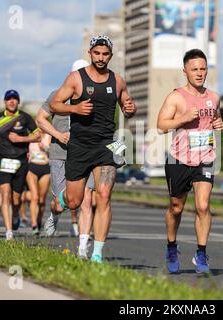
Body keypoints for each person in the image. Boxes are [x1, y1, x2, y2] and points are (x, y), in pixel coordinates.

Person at [50, 35, 136, 263]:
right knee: (74, 201)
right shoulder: (76, 79)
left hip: (106, 145)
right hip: (79, 145)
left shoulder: (117, 81)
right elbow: (54, 104)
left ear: (111, 55)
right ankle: (62, 198)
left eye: (105, 54)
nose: (100, 58)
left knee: (104, 196)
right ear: (90, 53)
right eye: (96, 53)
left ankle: (96, 254)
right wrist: (75, 109)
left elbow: (128, 106)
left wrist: (130, 108)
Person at [156, 48, 223, 274]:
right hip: (179, 159)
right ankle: (172, 247)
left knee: (203, 206)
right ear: (185, 71)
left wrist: (218, 124)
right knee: (176, 208)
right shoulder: (176, 96)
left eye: (203, 68)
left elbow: (215, 119)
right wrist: (183, 118)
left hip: (205, 157)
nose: (199, 73)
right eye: (194, 69)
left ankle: (202, 253)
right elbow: (161, 125)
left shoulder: (213, 97)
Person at [37, 59, 94, 247]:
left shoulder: (94, 97)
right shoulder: (56, 96)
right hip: (60, 154)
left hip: (86, 156)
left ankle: (84, 246)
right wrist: (57, 135)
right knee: (63, 203)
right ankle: (53, 214)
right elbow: (40, 119)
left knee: (87, 199)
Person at [0, 89, 41, 240]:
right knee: (5, 194)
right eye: (9, 99)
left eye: (14, 99)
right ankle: (9, 232)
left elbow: (38, 136)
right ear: (5, 102)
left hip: (20, 161)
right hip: (3, 160)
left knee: (16, 199)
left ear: (18, 101)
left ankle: (14, 217)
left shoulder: (25, 117)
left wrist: (21, 140)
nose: (12, 101)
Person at [26, 132, 51, 236]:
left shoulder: (50, 135)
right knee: (34, 197)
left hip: (45, 168)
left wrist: (45, 148)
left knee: (41, 200)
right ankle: (34, 224)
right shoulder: (31, 135)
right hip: (32, 167)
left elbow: (54, 151)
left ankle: (39, 220)